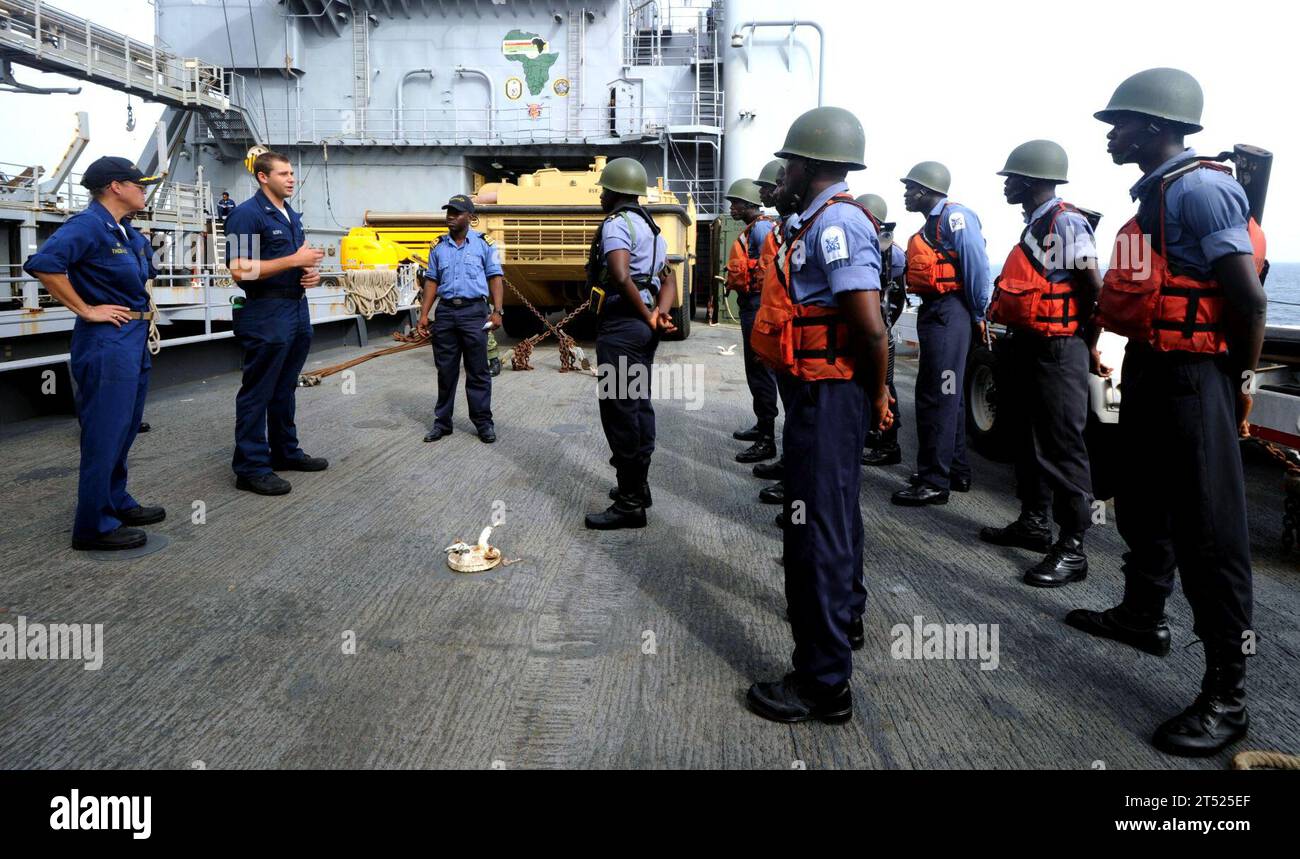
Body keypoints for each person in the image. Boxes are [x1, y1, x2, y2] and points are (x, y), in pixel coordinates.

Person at [1067, 68, 1268, 757]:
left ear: (1156, 127)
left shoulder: (1202, 190)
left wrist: (1238, 380)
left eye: (1119, 124)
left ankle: (1227, 693)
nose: (1110, 135)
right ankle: (1142, 612)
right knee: (1141, 501)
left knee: (1210, 532)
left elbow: (1250, 299)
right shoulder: (1154, 195)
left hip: (1194, 377)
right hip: (1153, 366)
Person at [746, 107, 892, 723]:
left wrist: (879, 395)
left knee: (816, 534)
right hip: (819, 391)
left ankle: (824, 682)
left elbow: (869, 326)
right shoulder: (817, 221)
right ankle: (845, 621)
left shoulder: (835, 226)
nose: (782, 171)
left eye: (788, 161)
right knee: (833, 519)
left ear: (807, 163)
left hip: (829, 394)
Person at [23, 156, 166, 551]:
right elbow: (45, 265)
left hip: (133, 336)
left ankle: (115, 500)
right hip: (107, 340)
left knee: (124, 427)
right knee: (104, 432)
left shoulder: (125, 231)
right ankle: (93, 527)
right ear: (115, 186)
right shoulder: (87, 226)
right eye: (139, 183)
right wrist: (86, 309)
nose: (144, 189)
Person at [979, 140, 1100, 587]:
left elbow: (1092, 286)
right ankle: (1033, 522)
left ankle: (1073, 547)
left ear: (1031, 179)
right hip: (1030, 345)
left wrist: (1078, 338)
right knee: (1027, 437)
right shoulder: (1037, 224)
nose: (1006, 184)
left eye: (1012, 177)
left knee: (1062, 445)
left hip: (1058, 348)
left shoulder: (1066, 221)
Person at [224, 151, 327, 496]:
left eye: (292, 173)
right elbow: (239, 270)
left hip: (295, 310)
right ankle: (251, 467)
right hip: (266, 312)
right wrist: (292, 260)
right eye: (283, 173)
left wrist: (309, 271)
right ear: (262, 177)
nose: (291, 178)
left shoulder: (290, 216)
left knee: (285, 388)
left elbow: (296, 261)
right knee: (259, 391)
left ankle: (284, 451)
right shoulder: (246, 215)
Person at [583, 158, 677, 530]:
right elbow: (668, 280)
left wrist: (644, 314)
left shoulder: (616, 225)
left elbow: (621, 275)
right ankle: (639, 486)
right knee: (637, 406)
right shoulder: (653, 231)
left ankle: (630, 504)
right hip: (642, 329)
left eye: (604, 190)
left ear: (615, 192)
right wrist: (659, 314)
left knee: (619, 410)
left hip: (622, 326)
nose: (602, 196)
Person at [892, 162, 991, 506]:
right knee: (950, 394)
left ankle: (934, 480)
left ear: (925, 189)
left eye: (909, 188)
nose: (905, 194)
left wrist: (979, 312)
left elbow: (975, 264)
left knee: (937, 394)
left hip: (951, 312)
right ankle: (956, 470)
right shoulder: (932, 224)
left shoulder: (955, 217)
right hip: (936, 311)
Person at [416, 194, 504, 444]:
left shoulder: (484, 244)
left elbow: (495, 276)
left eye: (456, 213)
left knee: (478, 370)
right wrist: (424, 315)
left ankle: (483, 423)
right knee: (445, 371)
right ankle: (442, 423)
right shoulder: (438, 247)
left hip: (474, 312)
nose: (450, 217)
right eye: (448, 213)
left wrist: (497, 311)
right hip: (446, 314)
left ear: (470, 218)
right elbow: (431, 280)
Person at [723, 178, 779, 464]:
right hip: (750, 304)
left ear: (748, 204)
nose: (732, 207)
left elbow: (769, 271)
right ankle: (762, 425)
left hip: (757, 307)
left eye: (736, 203)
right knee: (754, 370)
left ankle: (767, 439)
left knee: (760, 370)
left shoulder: (761, 229)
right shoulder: (755, 229)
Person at [753, 159, 798, 509]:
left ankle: (798, 486)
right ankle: (790, 469)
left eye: (773, 186)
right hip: (781, 327)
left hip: (801, 336)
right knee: (794, 410)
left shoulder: (812, 226)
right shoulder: (784, 227)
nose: (769, 192)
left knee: (802, 413)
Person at [858, 193, 908, 468]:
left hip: (878, 329)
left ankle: (890, 445)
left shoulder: (890, 252)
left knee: (884, 384)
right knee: (875, 383)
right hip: (878, 325)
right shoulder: (885, 248)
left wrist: (881, 326)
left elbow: (893, 297)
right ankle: (877, 434)